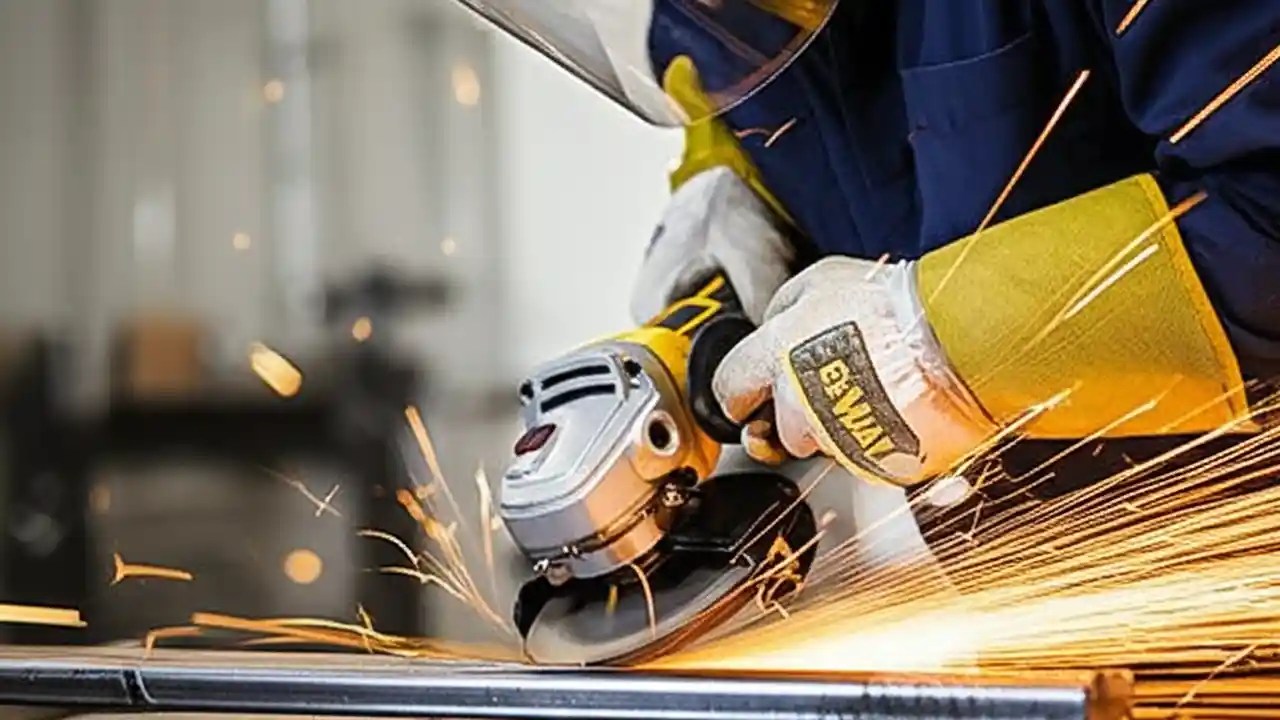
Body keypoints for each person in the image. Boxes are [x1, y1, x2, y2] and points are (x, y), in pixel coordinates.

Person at [456, 1, 1280, 514]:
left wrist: (936, 342)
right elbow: (825, 175)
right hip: (1048, 613)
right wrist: (700, 327)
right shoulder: (721, 14)